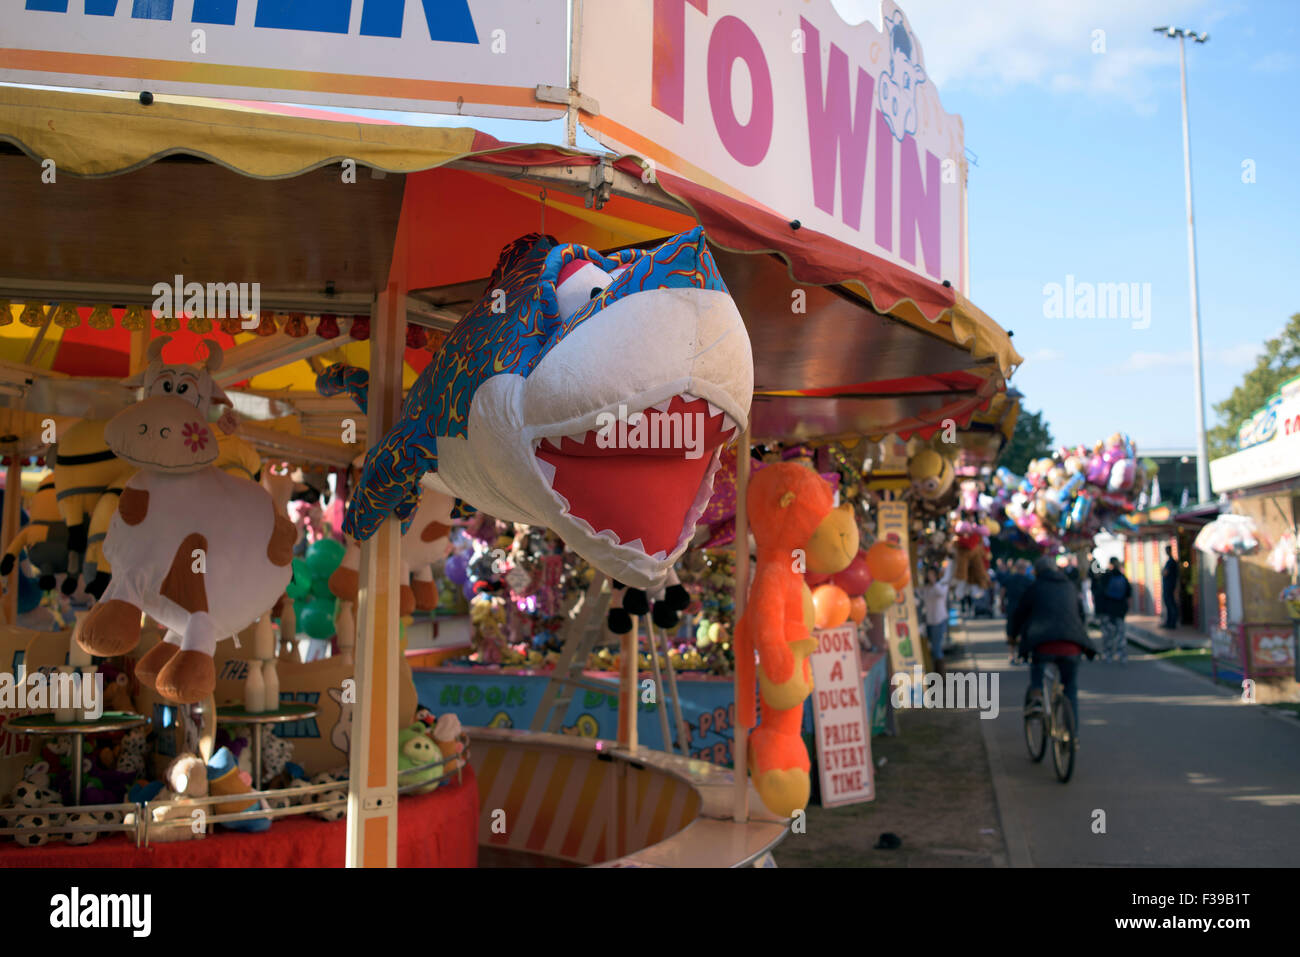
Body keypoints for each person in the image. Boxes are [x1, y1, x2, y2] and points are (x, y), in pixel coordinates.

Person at [1007, 555, 1099, 722]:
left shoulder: (1034, 588)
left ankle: (1036, 696)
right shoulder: (1070, 587)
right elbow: (1081, 615)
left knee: (1037, 667)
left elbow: (1019, 615)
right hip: (1073, 644)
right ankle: (1073, 737)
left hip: (1043, 644)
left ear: (1036, 572)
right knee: (1070, 689)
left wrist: (1013, 637)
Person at [1096, 557, 1133, 663]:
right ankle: (1122, 654)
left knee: (1108, 634)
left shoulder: (1105, 577)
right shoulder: (1122, 577)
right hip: (1120, 610)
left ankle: (1108, 654)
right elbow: (1128, 593)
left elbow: (1100, 594)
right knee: (1120, 633)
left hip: (1107, 609)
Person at [922, 559, 955, 676]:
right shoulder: (926, 588)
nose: (930, 576)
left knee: (936, 649)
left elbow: (940, 594)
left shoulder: (940, 586)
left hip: (938, 620)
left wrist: (934, 582)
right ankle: (935, 673)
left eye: (932, 574)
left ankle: (940, 675)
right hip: (929, 621)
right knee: (932, 648)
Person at [1160, 546, 1180, 629]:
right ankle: (1169, 622)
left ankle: (1172, 623)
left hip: (1169, 587)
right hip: (1169, 586)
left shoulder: (1171, 562)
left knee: (1170, 604)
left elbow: (1165, 573)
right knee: (1169, 604)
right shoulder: (1171, 561)